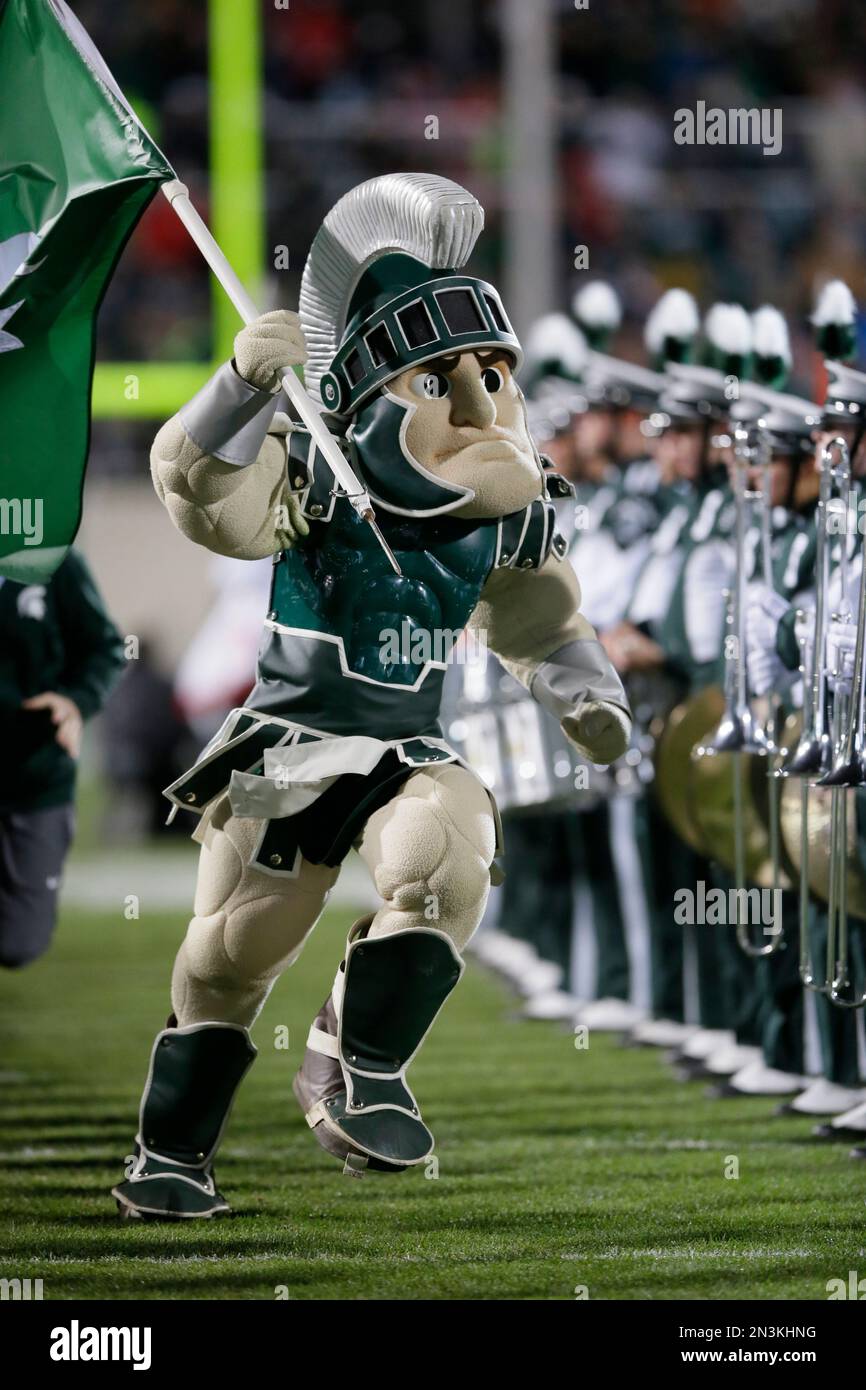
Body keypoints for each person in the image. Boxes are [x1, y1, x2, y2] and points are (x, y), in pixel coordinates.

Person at [112, 173, 632, 1219]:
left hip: (401, 746)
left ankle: (357, 1059)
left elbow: (538, 622)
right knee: (227, 958)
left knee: (444, 848)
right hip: (288, 748)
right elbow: (196, 494)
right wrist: (236, 387)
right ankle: (170, 1151)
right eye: (442, 379)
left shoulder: (501, 510)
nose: (483, 403)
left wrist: (581, 691)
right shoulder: (314, 469)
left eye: (493, 372)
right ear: (370, 389)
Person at [0, 549, 125, 968]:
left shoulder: (55, 561)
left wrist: (76, 701)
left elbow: (106, 648)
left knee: (19, 942)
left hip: (37, 775)